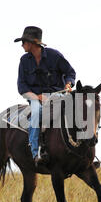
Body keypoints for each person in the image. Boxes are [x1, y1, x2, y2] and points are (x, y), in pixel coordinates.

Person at [15, 26, 76, 165]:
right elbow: (22, 86)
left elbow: (70, 73)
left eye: (24, 42)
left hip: (57, 95)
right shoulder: (24, 61)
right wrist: (37, 97)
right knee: (36, 112)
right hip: (35, 97)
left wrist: (68, 84)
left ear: (31, 43)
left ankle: (84, 152)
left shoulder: (55, 56)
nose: (22, 45)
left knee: (78, 110)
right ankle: (36, 153)